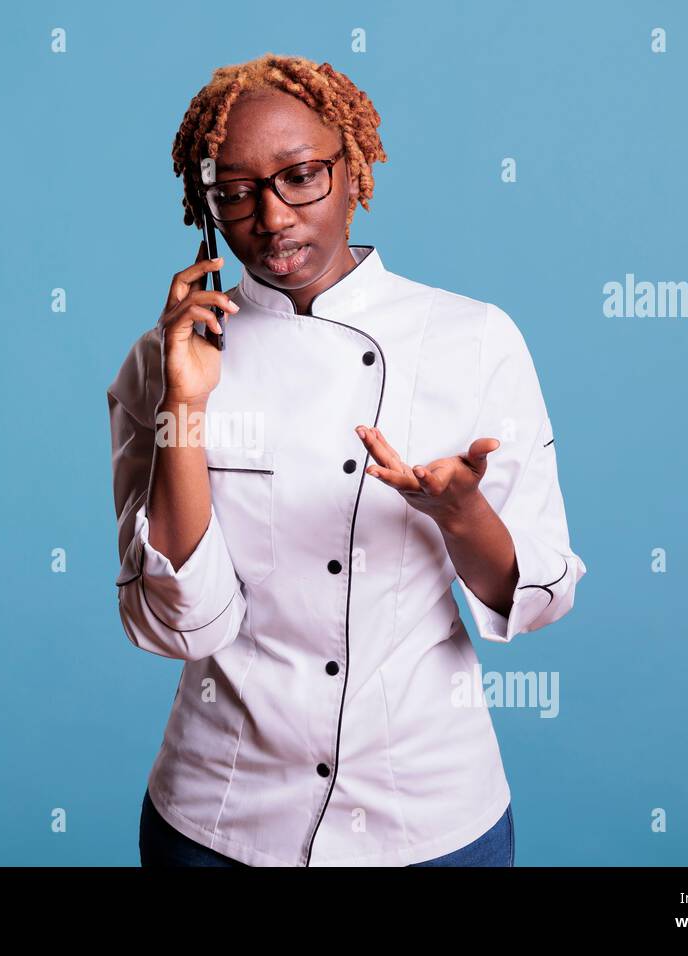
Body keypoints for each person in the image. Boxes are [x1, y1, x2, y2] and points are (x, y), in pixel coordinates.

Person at [106, 53, 586, 867]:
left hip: (428, 817)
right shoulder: (162, 360)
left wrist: (462, 516)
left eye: (301, 176)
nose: (272, 216)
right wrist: (183, 404)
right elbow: (184, 625)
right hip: (222, 819)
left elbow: (539, 597)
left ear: (353, 171)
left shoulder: (473, 339)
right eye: (236, 192)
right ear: (208, 204)